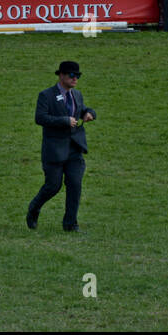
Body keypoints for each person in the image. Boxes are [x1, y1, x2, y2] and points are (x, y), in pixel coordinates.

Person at [26, 61, 96, 233]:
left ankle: (70, 224)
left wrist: (90, 113)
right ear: (61, 75)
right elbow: (40, 118)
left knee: (75, 184)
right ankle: (34, 208)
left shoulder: (77, 95)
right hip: (54, 150)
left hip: (74, 148)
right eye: (72, 75)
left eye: (77, 76)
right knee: (53, 186)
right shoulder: (46, 96)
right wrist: (63, 121)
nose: (75, 79)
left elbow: (82, 109)